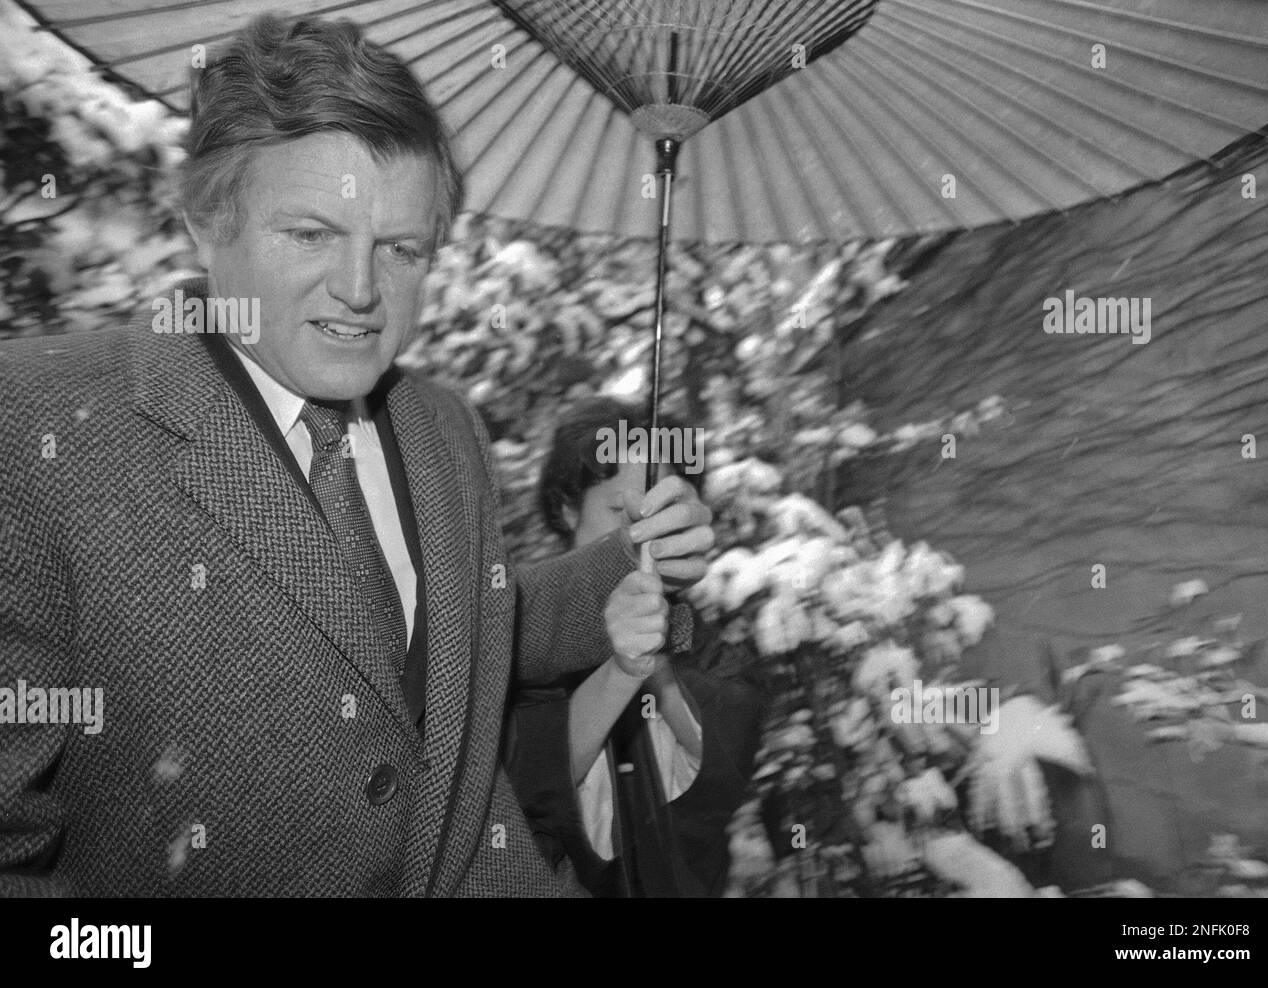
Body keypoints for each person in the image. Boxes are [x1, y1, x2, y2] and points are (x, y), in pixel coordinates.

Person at [0, 15, 713, 897]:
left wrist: (629, 568)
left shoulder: (444, 429)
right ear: (207, 222)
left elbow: (456, 637)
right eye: (311, 234)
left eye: (402, 249)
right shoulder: (35, 428)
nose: (362, 289)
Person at [506, 398, 766, 896]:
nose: (643, 536)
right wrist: (618, 665)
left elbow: (725, 764)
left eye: (665, 515)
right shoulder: (520, 636)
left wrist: (656, 655)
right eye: (618, 512)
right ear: (566, 509)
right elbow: (523, 788)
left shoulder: (712, 645)